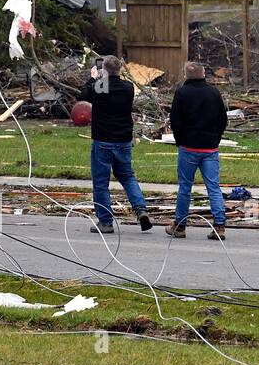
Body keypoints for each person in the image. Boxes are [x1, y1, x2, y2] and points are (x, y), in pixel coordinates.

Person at [77, 55, 151, 234]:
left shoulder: (101, 88)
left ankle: (106, 221)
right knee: (127, 176)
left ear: (104, 71)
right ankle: (140, 209)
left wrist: (94, 77)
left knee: (101, 182)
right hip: (123, 139)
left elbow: (83, 96)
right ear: (120, 70)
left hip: (103, 140)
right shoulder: (128, 87)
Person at [166, 61, 229, 240]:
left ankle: (179, 225)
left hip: (189, 146)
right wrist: (215, 138)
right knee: (213, 187)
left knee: (185, 187)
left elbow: (175, 121)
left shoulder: (182, 93)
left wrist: (180, 140)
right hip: (210, 146)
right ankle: (219, 225)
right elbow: (222, 119)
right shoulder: (213, 93)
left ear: (186, 75)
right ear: (203, 74)